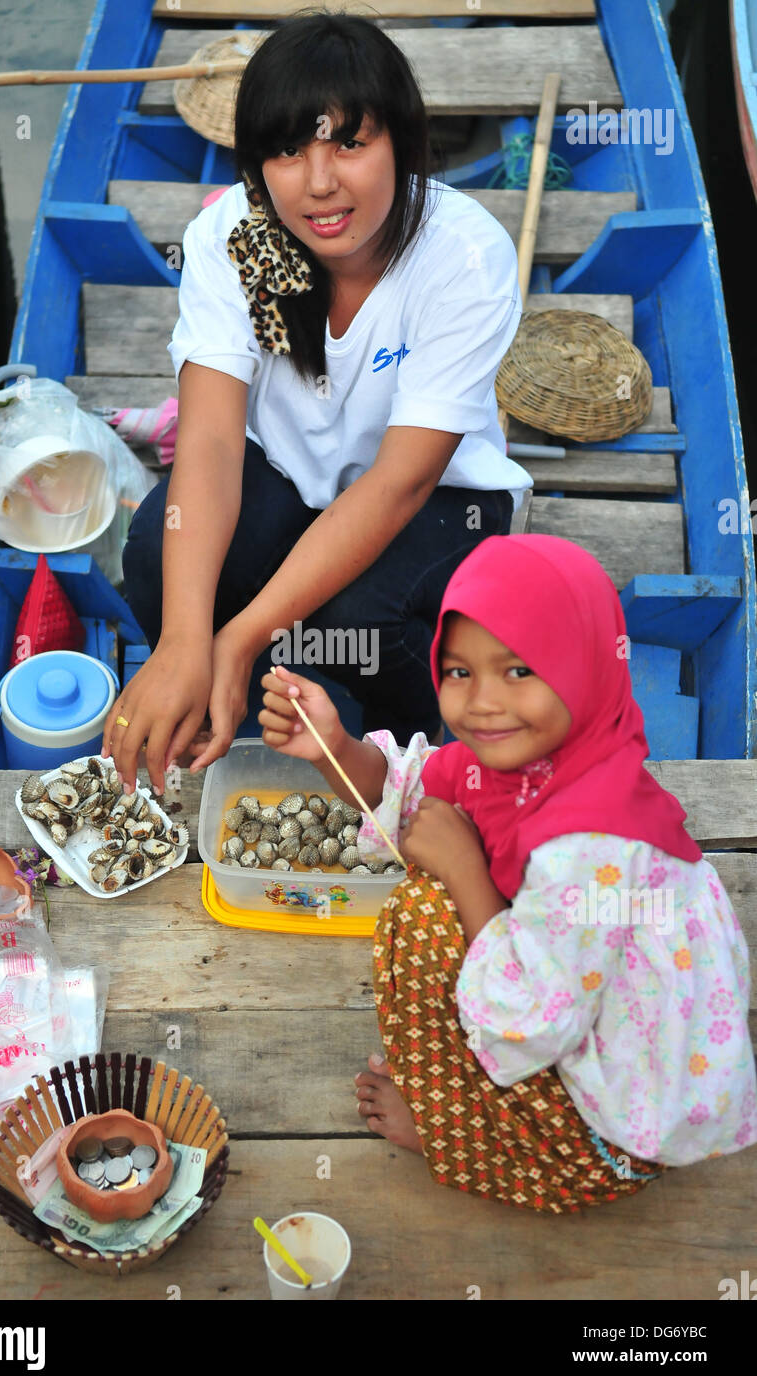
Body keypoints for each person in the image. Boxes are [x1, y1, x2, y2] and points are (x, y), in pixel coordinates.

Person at [258, 534, 757, 1214]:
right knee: (436, 869)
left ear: (585, 665)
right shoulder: (545, 753)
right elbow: (409, 787)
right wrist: (331, 746)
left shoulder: (589, 846)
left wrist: (466, 870)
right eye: (458, 670)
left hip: (623, 1125)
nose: (482, 701)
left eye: (519, 669)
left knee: (425, 914)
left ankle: (461, 1134)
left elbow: (534, 1023)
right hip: (596, 1011)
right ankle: (467, 1108)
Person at [103, 12, 532, 795]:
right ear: (257, 164)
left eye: (349, 143)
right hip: (285, 469)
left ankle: (399, 755)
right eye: (288, 149)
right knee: (151, 562)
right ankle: (267, 700)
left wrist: (232, 642)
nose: (320, 181)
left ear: (401, 144)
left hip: (437, 495)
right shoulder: (234, 236)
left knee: (356, 626)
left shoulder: (462, 259)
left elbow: (397, 483)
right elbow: (210, 445)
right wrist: (186, 640)